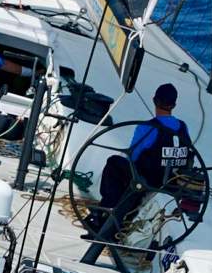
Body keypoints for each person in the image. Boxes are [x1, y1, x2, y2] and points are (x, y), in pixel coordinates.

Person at [85, 83, 204, 237]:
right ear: (173, 104)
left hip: (149, 178)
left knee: (114, 163)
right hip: (172, 180)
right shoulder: (182, 126)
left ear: (155, 101)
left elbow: (133, 155)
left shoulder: (148, 127)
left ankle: (105, 211)